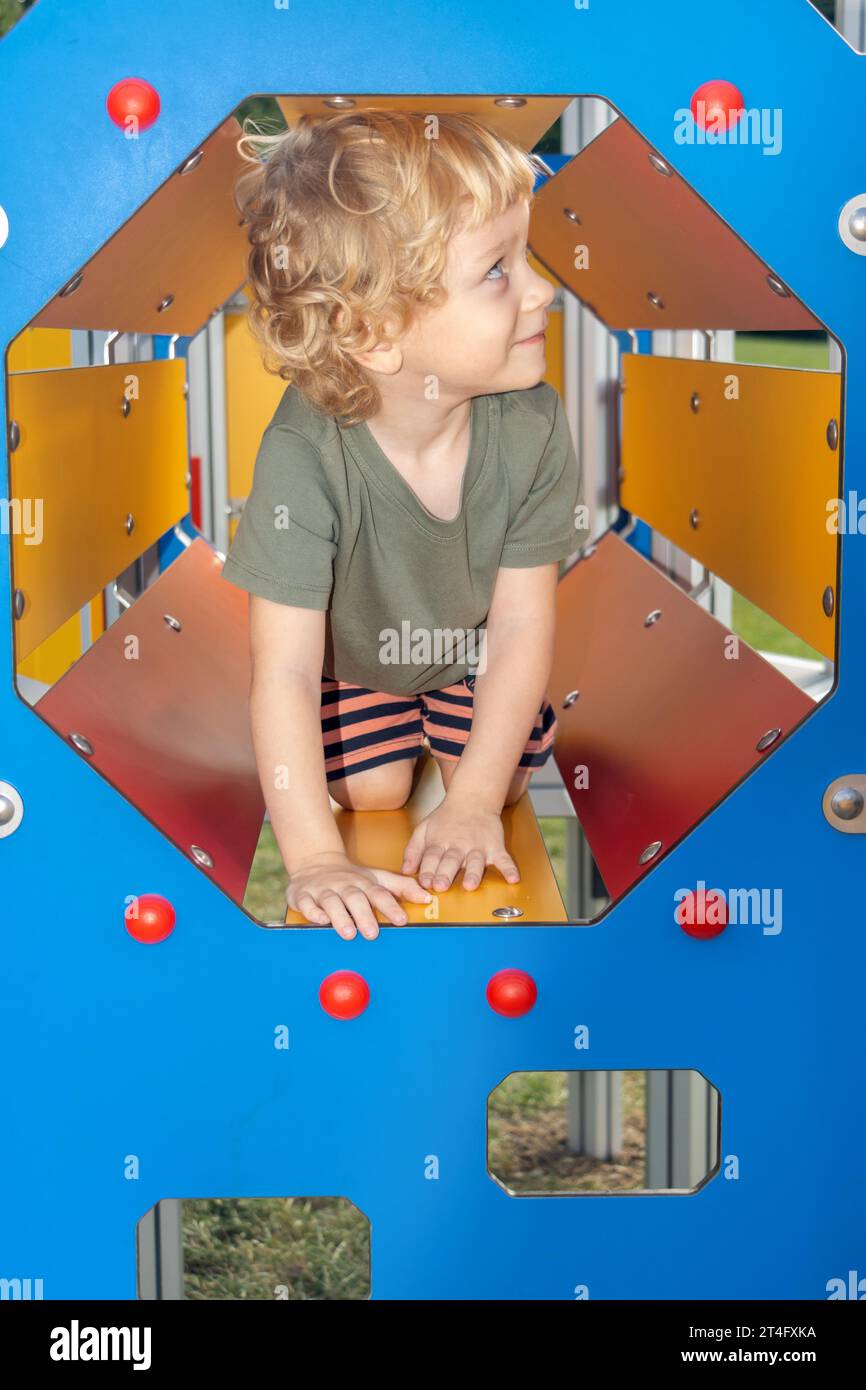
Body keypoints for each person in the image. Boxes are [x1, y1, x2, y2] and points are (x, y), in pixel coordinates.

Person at [221, 108, 589, 940]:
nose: (543, 290)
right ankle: (399, 738)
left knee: (486, 785)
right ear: (374, 332)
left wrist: (469, 803)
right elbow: (281, 669)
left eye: (523, 254)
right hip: (352, 665)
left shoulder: (529, 422)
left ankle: (449, 751)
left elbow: (523, 622)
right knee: (374, 790)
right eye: (497, 269)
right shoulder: (303, 452)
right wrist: (314, 858)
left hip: (465, 657)